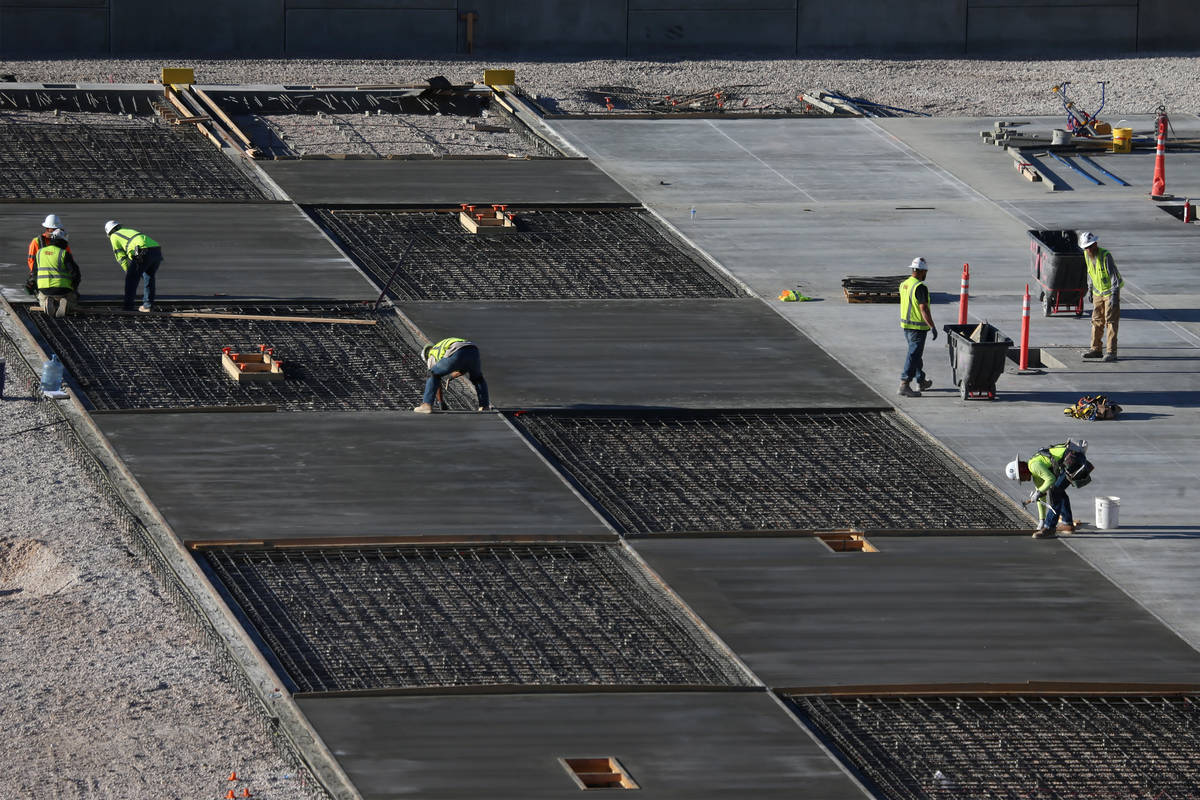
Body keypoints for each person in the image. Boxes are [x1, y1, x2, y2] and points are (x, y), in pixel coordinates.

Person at [1006, 439, 1093, 539]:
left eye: (1021, 478)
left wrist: (1038, 492)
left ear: (1022, 471)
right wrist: (1041, 520)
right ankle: (1067, 524)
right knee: (1059, 492)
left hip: (1073, 458)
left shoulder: (1033, 466)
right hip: (1072, 459)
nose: (1024, 480)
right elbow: (1041, 498)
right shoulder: (1036, 476)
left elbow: (1050, 479)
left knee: (1055, 491)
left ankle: (1049, 528)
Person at [1078, 231, 1123, 362]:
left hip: (1110, 292)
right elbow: (1091, 274)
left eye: (1090, 246)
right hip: (1098, 293)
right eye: (1086, 247)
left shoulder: (1105, 256)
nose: (1088, 249)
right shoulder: (1087, 256)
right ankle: (1096, 349)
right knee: (1096, 321)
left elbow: (1114, 278)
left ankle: (1111, 352)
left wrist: (1114, 296)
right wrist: (1091, 289)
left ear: (1096, 244)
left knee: (1111, 322)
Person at [413, 337, 490, 414]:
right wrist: (451, 377)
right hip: (473, 350)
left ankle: (426, 404)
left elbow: (436, 379)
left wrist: (441, 402)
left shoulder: (431, 355)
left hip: (457, 351)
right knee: (478, 379)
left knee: (432, 374)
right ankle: (484, 406)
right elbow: (464, 366)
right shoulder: (440, 346)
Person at [898, 257, 937, 398]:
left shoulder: (904, 284)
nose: (925, 274)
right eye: (925, 271)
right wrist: (932, 326)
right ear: (921, 271)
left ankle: (921, 381)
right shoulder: (920, 287)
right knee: (913, 355)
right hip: (918, 328)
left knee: (916, 355)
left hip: (906, 326)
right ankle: (904, 384)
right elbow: (923, 308)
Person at [105, 220, 163, 312]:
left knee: (131, 279)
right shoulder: (128, 230)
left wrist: (128, 270)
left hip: (139, 249)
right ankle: (147, 306)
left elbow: (120, 257)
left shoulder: (114, 236)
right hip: (156, 249)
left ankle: (128, 307)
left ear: (109, 232)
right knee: (149, 277)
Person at [34, 229, 81, 318]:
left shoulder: (39, 253)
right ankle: (66, 305)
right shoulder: (63, 253)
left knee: (42, 300)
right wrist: (74, 288)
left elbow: (34, 273)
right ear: (64, 241)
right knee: (73, 301)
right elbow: (75, 273)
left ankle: (46, 303)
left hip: (44, 289)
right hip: (63, 290)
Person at [25, 213, 71, 294]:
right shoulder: (36, 242)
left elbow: (69, 261)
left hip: (58, 275)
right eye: (53, 229)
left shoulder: (62, 242)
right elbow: (31, 261)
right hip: (42, 275)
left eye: (56, 229)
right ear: (47, 228)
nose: (55, 231)